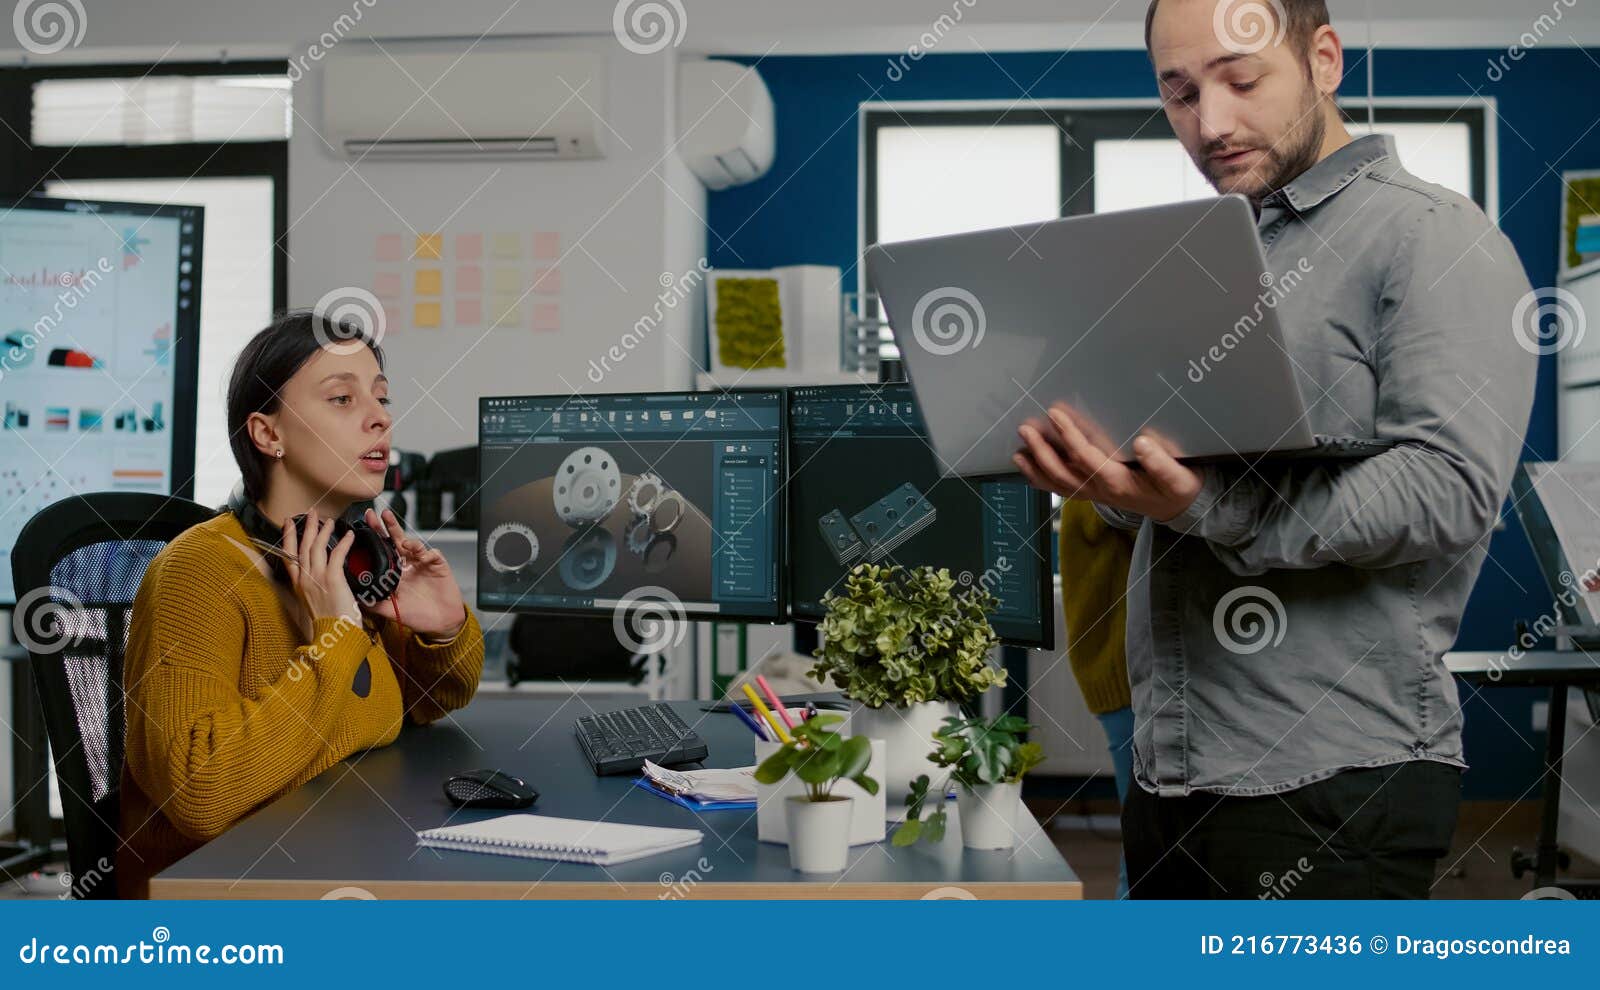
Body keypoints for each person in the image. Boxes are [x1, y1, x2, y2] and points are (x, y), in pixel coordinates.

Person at [1013, 0, 1537, 898]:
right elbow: (1178, 475)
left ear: (1324, 60)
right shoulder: (1207, 256)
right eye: (1179, 94)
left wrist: (1199, 504)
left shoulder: (1433, 237)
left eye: (1241, 80)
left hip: (1331, 782)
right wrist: (1105, 480)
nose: (1208, 123)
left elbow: (1448, 490)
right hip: (1171, 762)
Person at [117, 312, 485, 898]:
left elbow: (420, 705)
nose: (379, 416)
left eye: (381, 397)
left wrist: (441, 631)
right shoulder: (200, 572)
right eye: (342, 398)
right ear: (268, 434)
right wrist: (336, 637)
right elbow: (200, 793)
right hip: (222, 901)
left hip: (333, 854)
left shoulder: (345, 555)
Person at [1057, 500, 1136, 898]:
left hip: (1119, 673)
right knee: (1149, 853)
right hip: (1131, 675)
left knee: (1143, 847)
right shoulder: (1108, 473)